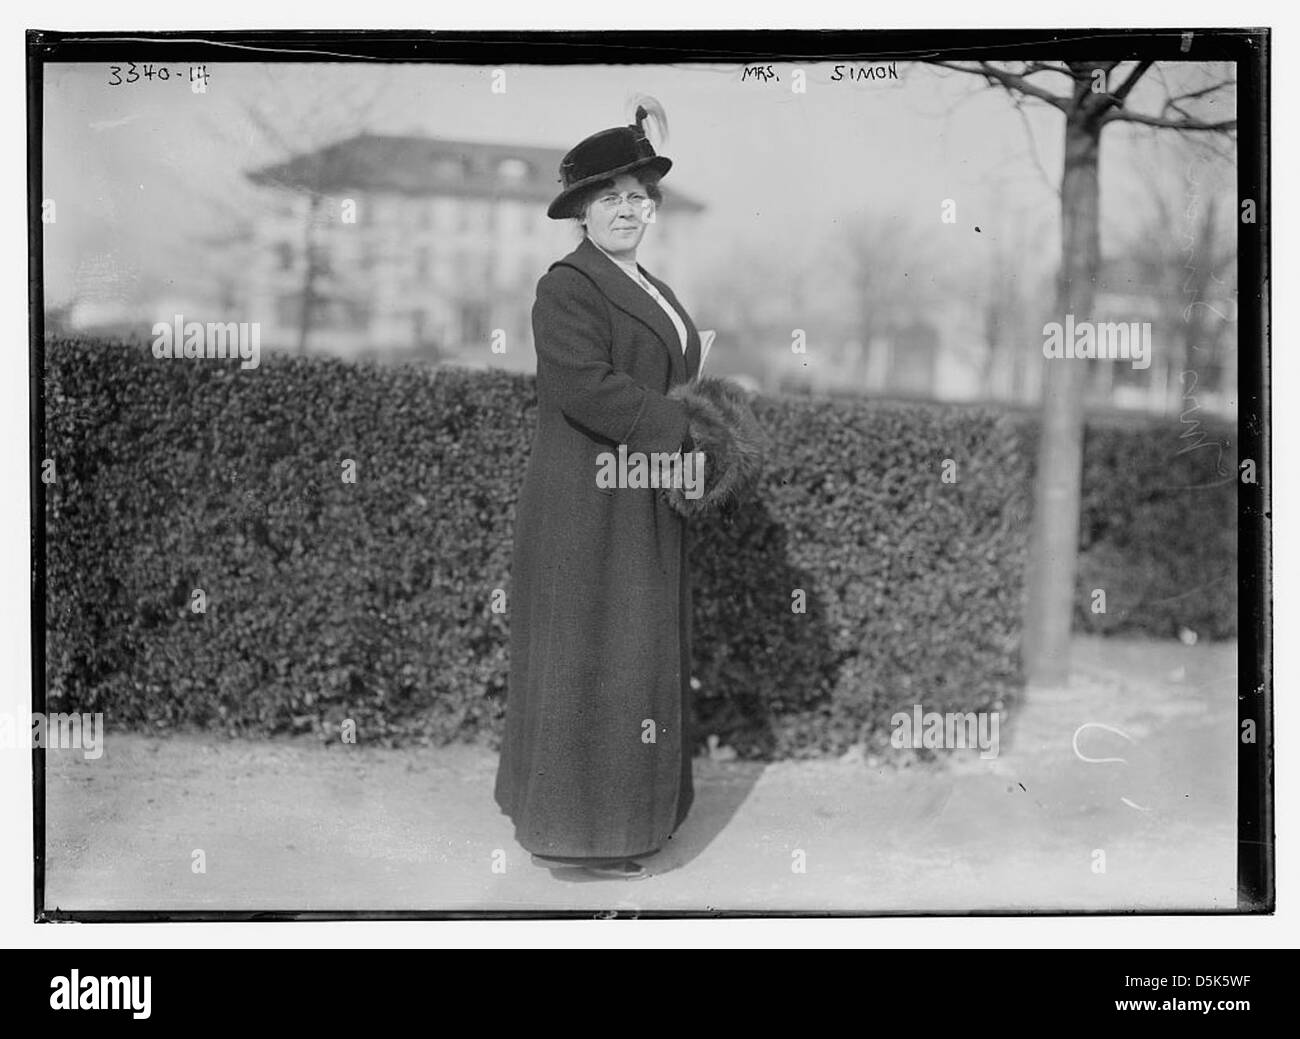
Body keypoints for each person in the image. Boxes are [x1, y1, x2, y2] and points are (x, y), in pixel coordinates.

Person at [493, 99, 701, 880]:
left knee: (638, 652)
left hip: (645, 493)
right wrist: (682, 427)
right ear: (580, 210)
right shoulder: (568, 286)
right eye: (609, 196)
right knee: (594, 652)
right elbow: (583, 386)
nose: (626, 209)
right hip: (588, 504)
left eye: (638, 196)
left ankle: (635, 819)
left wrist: (703, 416)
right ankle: (577, 832)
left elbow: (674, 372)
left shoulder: (651, 284)